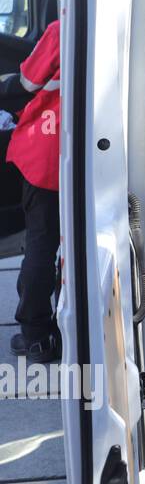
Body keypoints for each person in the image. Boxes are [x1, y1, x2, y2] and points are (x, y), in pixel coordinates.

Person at [4, 18, 62, 364]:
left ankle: (36, 336)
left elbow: (27, 82)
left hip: (45, 155)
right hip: (93, 158)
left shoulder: (61, 29)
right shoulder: (121, 25)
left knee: (41, 246)